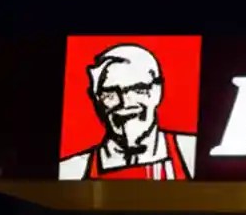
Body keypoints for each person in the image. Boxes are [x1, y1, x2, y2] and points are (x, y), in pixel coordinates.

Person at [59, 43, 195, 180]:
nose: (126, 103)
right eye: (110, 93)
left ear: (157, 92)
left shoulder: (190, 152)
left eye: (138, 90)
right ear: (96, 99)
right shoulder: (71, 171)